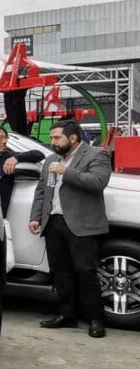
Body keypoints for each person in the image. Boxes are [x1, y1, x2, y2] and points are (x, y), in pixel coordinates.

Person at [29, 119, 111, 338]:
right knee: (60, 271)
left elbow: (98, 181)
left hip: (82, 223)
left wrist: (67, 172)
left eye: (57, 137)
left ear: (72, 138)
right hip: (54, 222)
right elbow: (41, 190)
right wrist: (35, 216)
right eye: (52, 137)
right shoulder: (51, 160)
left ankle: (95, 319)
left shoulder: (96, 155)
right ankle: (67, 315)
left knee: (85, 271)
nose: (52, 141)